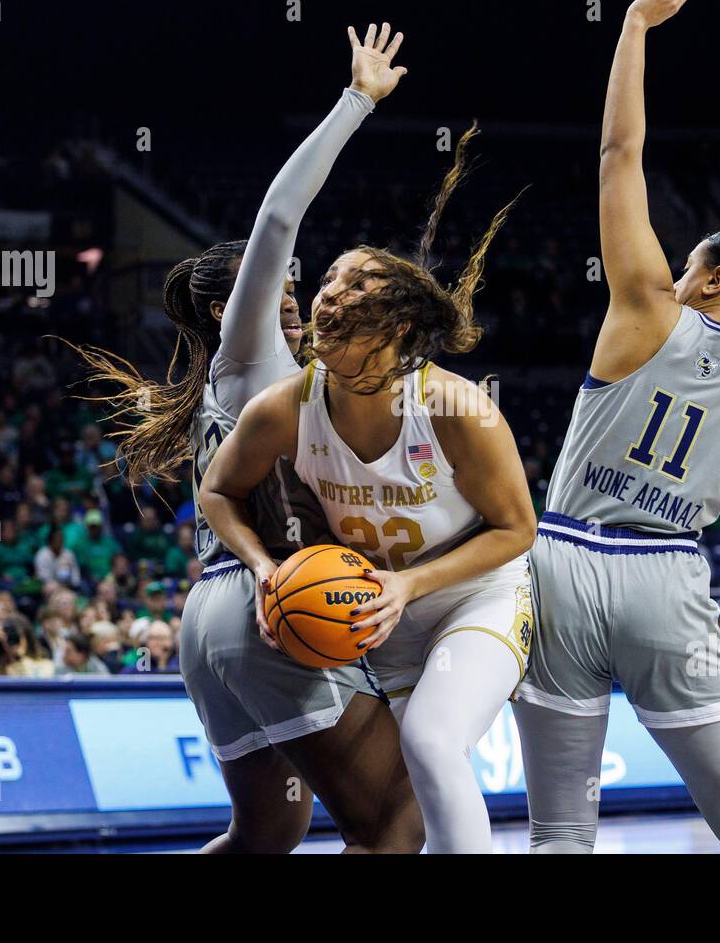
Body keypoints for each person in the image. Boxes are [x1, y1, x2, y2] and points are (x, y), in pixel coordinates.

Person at [71, 24, 422, 854]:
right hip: (272, 610)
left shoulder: (226, 388)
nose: (295, 299)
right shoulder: (250, 355)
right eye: (278, 291)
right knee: (394, 824)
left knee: (266, 836)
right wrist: (355, 102)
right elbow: (277, 220)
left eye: (297, 288)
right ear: (235, 311)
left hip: (213, 619)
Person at [511, 0, 720, 854]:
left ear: (712, 281)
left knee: (560, 832)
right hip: (667, 578)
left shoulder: (644, 311)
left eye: (688, 264)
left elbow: (619, 157)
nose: (674, 273)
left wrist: (637, 29)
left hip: (565, 563)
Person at [201, 108, 535, 852]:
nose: (326, 298)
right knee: (387, 812)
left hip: (467, 598)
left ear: (394, 332)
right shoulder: (284, 407)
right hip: (368, 612)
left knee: (433, 743)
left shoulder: (456, 409)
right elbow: (217, 494)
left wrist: (411, 587)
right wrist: (263, 567)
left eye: (354, 294)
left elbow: (518, 530)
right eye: (328, 282)